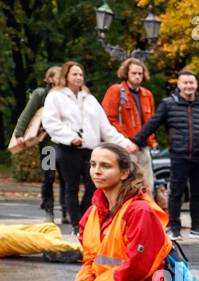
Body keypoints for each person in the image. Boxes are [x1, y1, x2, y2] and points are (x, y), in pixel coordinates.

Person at [34, 143, 172, 281]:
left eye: (105, 166)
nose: (96, 171)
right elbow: (90, 258)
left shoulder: (140, 211)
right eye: (93, 164)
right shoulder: (94, 212)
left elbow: (135, 269)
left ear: (124, 173)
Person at [41, 62, 137, 229]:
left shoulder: (90, 99)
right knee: (71, 188)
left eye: (80, 74)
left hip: (90, 150)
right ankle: (77, 226)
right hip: (67, 148)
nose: (78, 77)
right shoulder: (55, 96)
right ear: (66, 76)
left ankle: (85, 221)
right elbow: (50, 122)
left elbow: (105, 127)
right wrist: (70, 137)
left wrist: (125, 143)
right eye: (74, 74)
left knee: (93, 187)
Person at [133, 69, 199, 240]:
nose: (188, 86)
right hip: (179, 155)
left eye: (191, 82)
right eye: (185, 82)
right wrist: (136, 141)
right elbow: (153, 123)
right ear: (179, 85)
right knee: (176, 192)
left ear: (196, 85)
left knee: (197, 192)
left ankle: (196, 227)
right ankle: (174, 227)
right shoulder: (168, 104)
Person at [12, 67, 63, 223]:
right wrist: (19, 135)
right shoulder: (41, 94)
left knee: (67, 177)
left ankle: (67, 211)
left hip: (64, 143)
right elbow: (27, 113)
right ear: (50, 79)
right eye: (58, 76)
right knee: (48, 176)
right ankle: (48, 209)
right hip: (47, 143)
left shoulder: (67, 95)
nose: (62, 78)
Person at [101, 58, 157, 196]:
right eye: (134, 73)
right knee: (127, 186)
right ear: (126, 73)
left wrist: (151, 140)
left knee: (147, 185)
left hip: (143, 146)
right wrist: (125, 140)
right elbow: (108, 119)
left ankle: (146, 214)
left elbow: (151, 121)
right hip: (125, 146)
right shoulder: (116, 91)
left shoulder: (147, 94)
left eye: (140, 73)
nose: (138, 76)